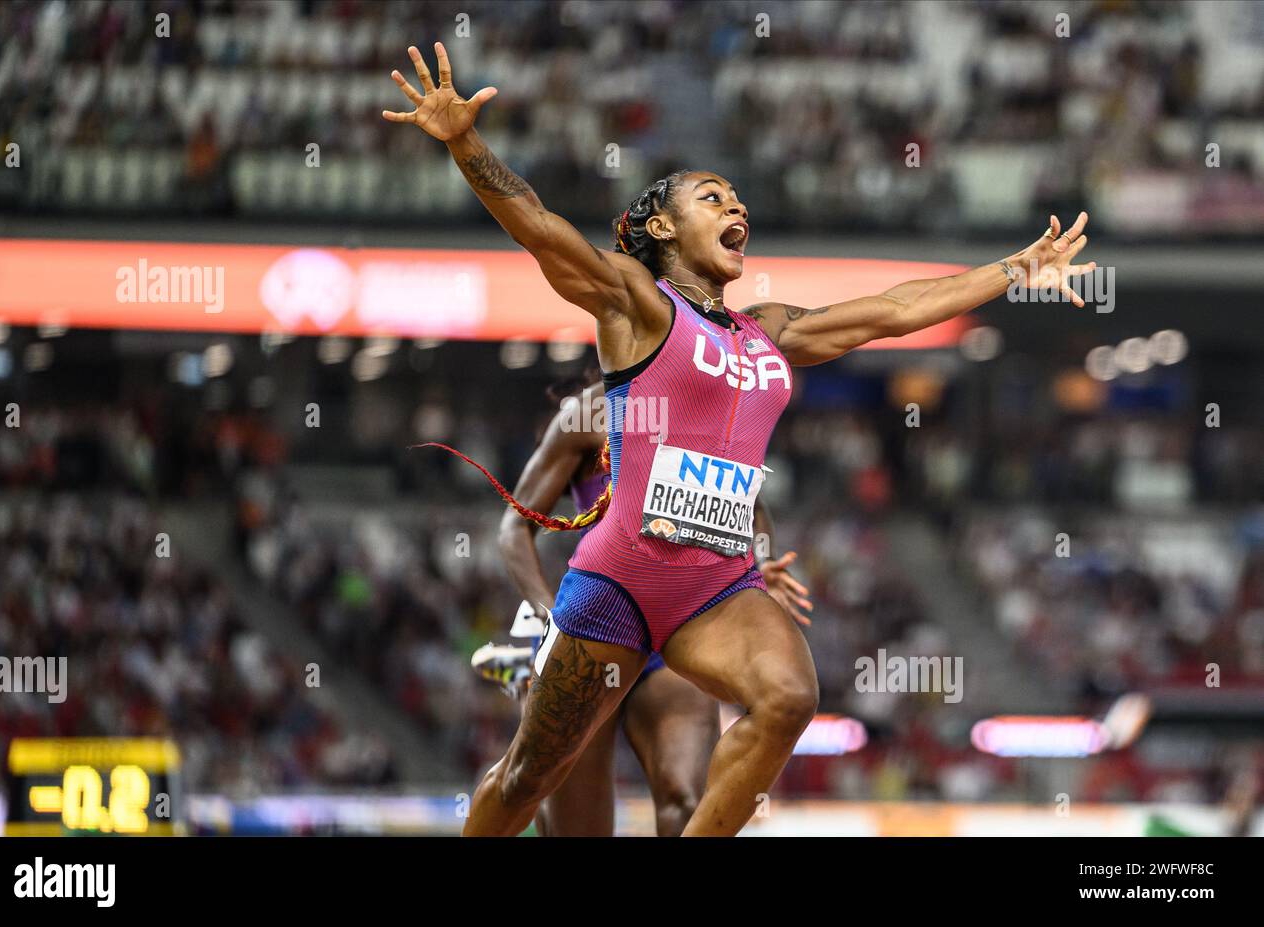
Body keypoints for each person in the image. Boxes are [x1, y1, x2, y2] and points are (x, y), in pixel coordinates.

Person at [384, 42, 1095, 836]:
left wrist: (1014, 268)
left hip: (716, 588)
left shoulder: (771, 332)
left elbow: (895, 309)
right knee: (524, 779)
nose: (736, 209)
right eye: (713, 197)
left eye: (738, 200)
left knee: (789, 695)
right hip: (617, 583)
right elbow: (541, 231)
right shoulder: (637, 304)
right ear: (661, 225)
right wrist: (464, 143)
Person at [469, 378, 811, 836]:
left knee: (684, 803)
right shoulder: (590, 412)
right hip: (600, 619)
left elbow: (751, 500)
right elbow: (515, 527)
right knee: (571, 820)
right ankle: (532, 673)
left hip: (673, 624)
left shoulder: (701, 403)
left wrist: (759, 560)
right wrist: (548, 617)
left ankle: (528, 676)